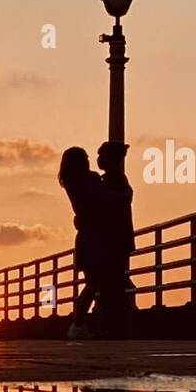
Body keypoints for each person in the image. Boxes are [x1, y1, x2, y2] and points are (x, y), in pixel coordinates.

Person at [58, 146, 104, 338]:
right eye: (85, 157)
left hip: (84, 237)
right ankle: (77, 324)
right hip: (96, 236)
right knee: (96, 282)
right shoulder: (91, 179)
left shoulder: (70, 182)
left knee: (92, 282)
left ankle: (78, 324)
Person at [93, 141, 135, 338]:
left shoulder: (113, 181)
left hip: (112, 239)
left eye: (103, 156)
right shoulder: (116, 180)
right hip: (117, 239)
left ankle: (113, 325)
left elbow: (109, 205)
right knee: (114, 280)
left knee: (112, 282)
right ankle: (115, 322)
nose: (99, 159)